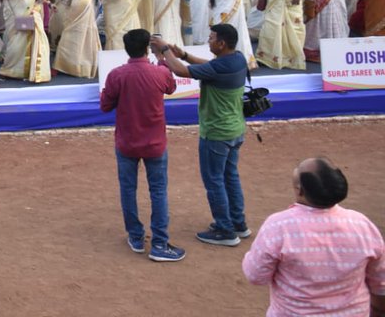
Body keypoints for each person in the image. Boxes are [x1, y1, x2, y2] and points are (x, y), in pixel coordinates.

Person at [242, 157, 385, 316]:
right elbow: (380, 281)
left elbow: (255, 276)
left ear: (300, 191)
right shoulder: (362, 225)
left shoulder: (279, 226)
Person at [153, 23, 250, 247]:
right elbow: (207, 66)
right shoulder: (237, 59)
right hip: (235, 129)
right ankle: (239, 224)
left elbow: (180, 71)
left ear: (222, 43)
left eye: (212, 37)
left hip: (216, 132)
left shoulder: (221, 65)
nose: (209, 40)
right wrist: (184, 54)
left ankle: (225, 230)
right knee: (230, 177)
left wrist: (165, 50)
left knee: (214, 181)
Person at [99, 29, 184, 262]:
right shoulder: (159, 73)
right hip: (155, 142)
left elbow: (105, 105)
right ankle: (159, 242)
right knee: (158, 190)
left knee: (128, 189)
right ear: (148, 47)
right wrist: (163, 61)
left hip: (127, 141)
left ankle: (136, 237)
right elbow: (171, 87)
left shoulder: (117, 75)